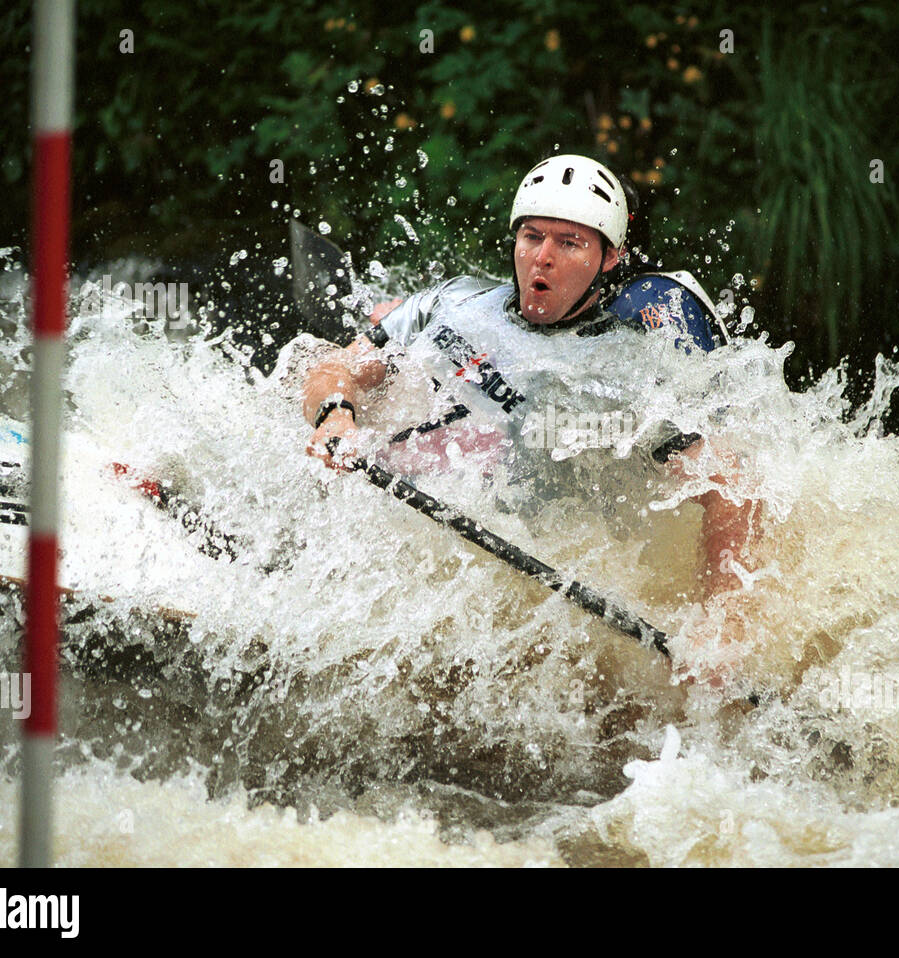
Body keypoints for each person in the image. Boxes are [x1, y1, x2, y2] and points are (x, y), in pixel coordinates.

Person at [300, 154, 758, 678]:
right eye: (532, 237)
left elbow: (731, 485)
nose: (543, 258)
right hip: (446, 505)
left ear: (609, 259)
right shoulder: (455, 303)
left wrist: (725, 627)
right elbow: (337, 367)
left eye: (570, 243)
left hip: (561, 542)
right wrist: (335, 414)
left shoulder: (628, 369)